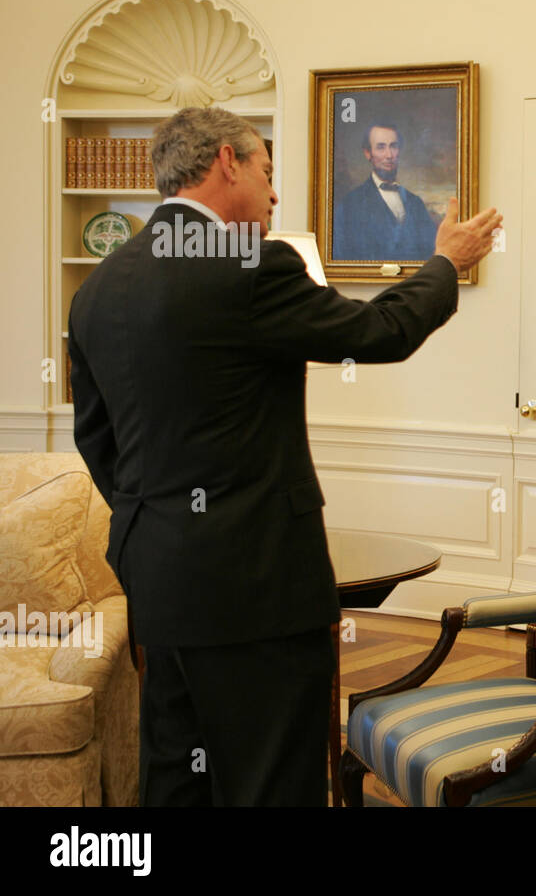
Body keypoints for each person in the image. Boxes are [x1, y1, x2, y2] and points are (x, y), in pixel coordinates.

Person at [67, 106, 501, 806]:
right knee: (274, 780)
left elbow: (99, 442)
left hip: (155, 578)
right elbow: (379, 331)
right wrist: (446, 263)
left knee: (177, 773)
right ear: (227, 163)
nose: (275, 196)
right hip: (256, 586)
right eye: (268, 174)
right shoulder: (248, 266)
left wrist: (163, 525)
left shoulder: (99, 287)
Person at [332, 124, 441, 261]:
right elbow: (341, 256)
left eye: (393, 146)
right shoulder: (350, 205)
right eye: (381, 147)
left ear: (399, 151)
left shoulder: (415, 202)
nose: (389, 155)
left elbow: (432, 252)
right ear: (368, 153)